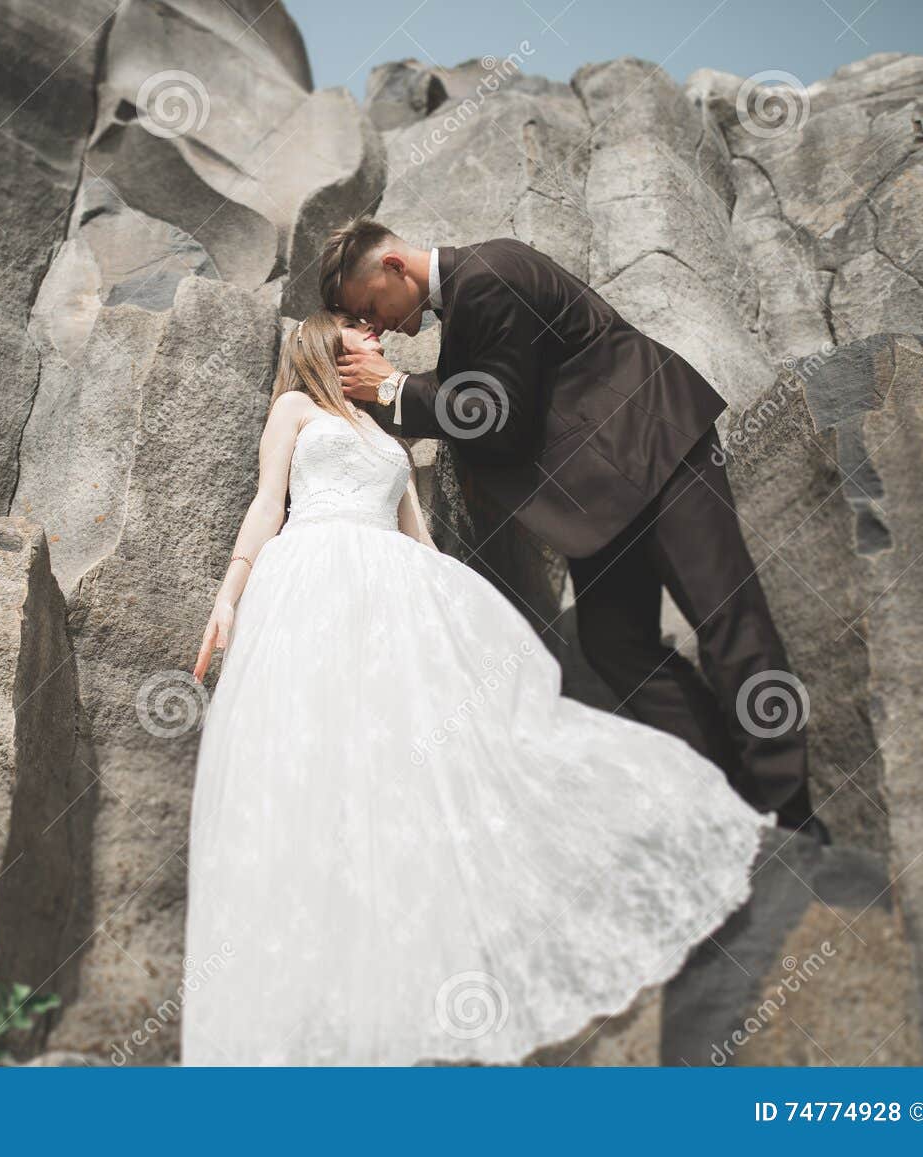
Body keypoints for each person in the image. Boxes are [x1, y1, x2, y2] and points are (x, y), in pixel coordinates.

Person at [180, 309, 778, 1066]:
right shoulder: (295, 410)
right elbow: (268, 502)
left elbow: (418, 534)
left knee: (418, 761)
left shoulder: (387, 435)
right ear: (326, 348)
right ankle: (317, 1003)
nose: (376, 340)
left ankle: (419, 976)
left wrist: (462, 611)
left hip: (394, 587)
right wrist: (229, 595)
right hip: (311, 577)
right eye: (361, 335)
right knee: (319, 760)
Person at [320, 219, 827, 845]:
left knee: (730, 625)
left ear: (396, 267)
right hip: (607, 493)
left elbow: (501, 412)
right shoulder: (473, 291)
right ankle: (728, 798)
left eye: (374, 306)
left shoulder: (489, 276)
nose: (386, 323)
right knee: (616, 643)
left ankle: (793, 816)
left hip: (659, 450)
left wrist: (394, 386)